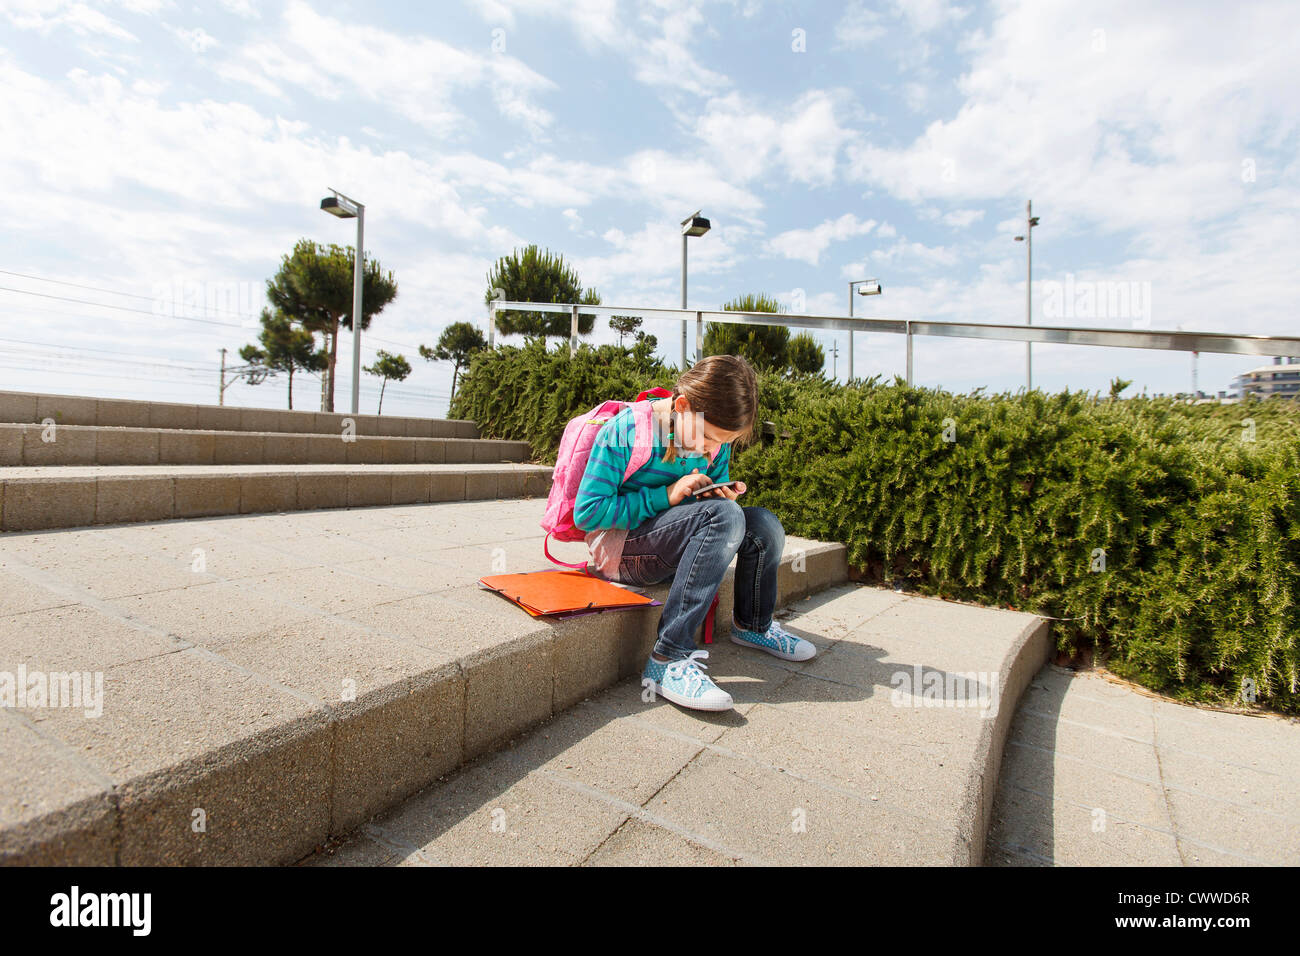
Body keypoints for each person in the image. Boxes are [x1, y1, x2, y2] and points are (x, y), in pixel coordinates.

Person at [573, 354, 816, 713]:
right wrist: (666, 495)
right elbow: (589, 513)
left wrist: (721, 494)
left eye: (722, 442)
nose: (709, 449)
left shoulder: (711, 439)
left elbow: (711, 505)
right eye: (707, 437)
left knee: (763, 524)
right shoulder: (627, 432)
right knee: (724, 517)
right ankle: (668, 659)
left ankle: (753, 625)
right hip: (621, 549)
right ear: (683, 406)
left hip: (677, 544)